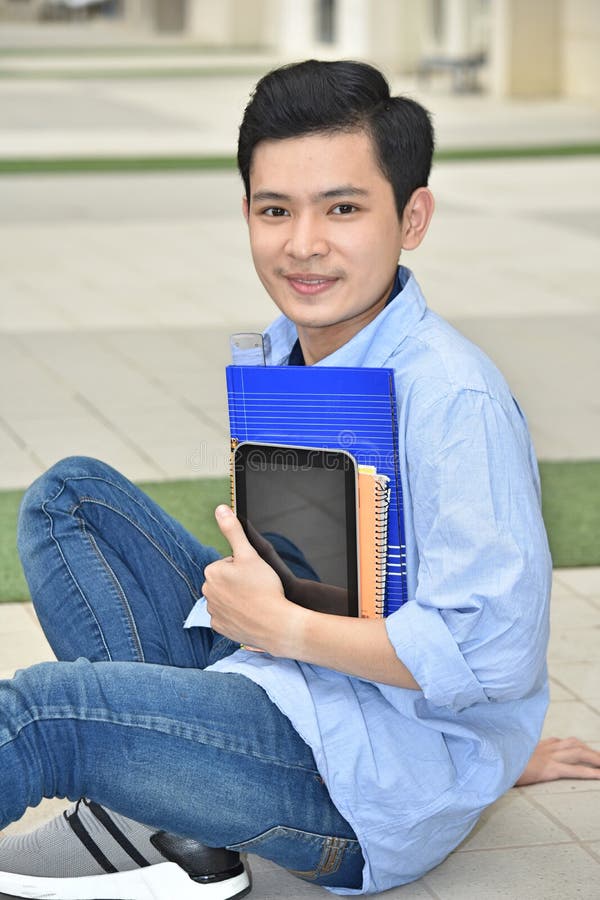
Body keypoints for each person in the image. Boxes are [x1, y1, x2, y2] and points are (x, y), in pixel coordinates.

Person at [1, 59, 599, 900]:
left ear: (412, 216)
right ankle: (169, 811)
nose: (303, 243)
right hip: (293, 675)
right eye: (274, 210)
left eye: (343, 208)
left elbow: (492, 651)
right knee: (72, 498)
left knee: (41, 717)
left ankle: (154, 797)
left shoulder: (451, 395)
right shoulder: (292, 349)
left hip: (355, 782)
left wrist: (467, 756)